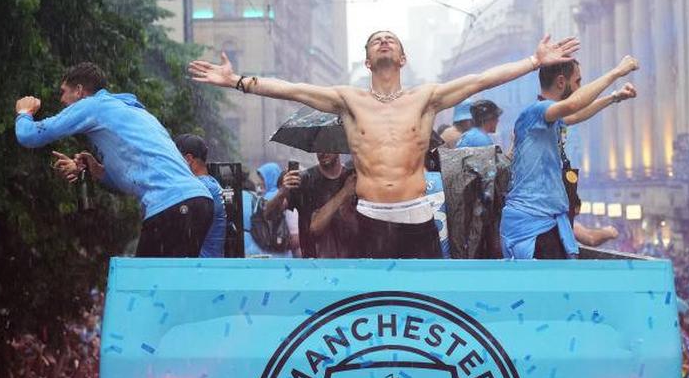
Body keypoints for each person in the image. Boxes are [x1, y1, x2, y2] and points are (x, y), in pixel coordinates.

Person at [190, 30, 580, 259]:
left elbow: (481, 80)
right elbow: (291, 90)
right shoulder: (349, 100)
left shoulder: (425, 97)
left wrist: (534, 60)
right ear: (366, 60)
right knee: (375, 312)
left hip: (417, 218)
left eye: (390, 40)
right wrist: (235, 80)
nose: (383, 43)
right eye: (376, 41)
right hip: (370, 219)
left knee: (423, 307)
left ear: (402, 57)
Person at [15, 62, 213, 258]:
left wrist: (24, 113)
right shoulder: (131, 110)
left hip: (172, 205)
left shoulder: (93, 106)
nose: (61, 99)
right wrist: (99, 172)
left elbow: (30, 136)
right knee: (170, 286)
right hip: (198, 203)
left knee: (145, 286)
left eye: (64, 92)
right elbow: (130, 184)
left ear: (79, 91)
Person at [499, 54, 639, 259]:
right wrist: (617, 72)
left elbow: (575, 115)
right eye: (578, 81)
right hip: (533, 225)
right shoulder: (536, 111)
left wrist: (614, 97)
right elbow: (574, 105)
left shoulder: (550, 117)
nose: (580, 88)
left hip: (543, 221)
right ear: (561, 82)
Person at [267, 153, 357, 258]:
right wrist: (282, 192)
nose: (323, 151)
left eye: (327, 144)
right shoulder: (305, 180)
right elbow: (269, 215)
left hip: (351, 263)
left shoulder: (352, 179)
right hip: (313, 262)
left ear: (337, 146)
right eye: (318, 146)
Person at [174, 134, 227, 258]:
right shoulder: (212, 184)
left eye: (175, 159)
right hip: (208, 264)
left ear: (188, 159)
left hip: (201, 268)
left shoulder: (200, 189)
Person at [242, 162, 295, 258]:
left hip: (272, 247)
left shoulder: (274, 196)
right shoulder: (272, 194)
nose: (261, 182)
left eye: (263, 178)